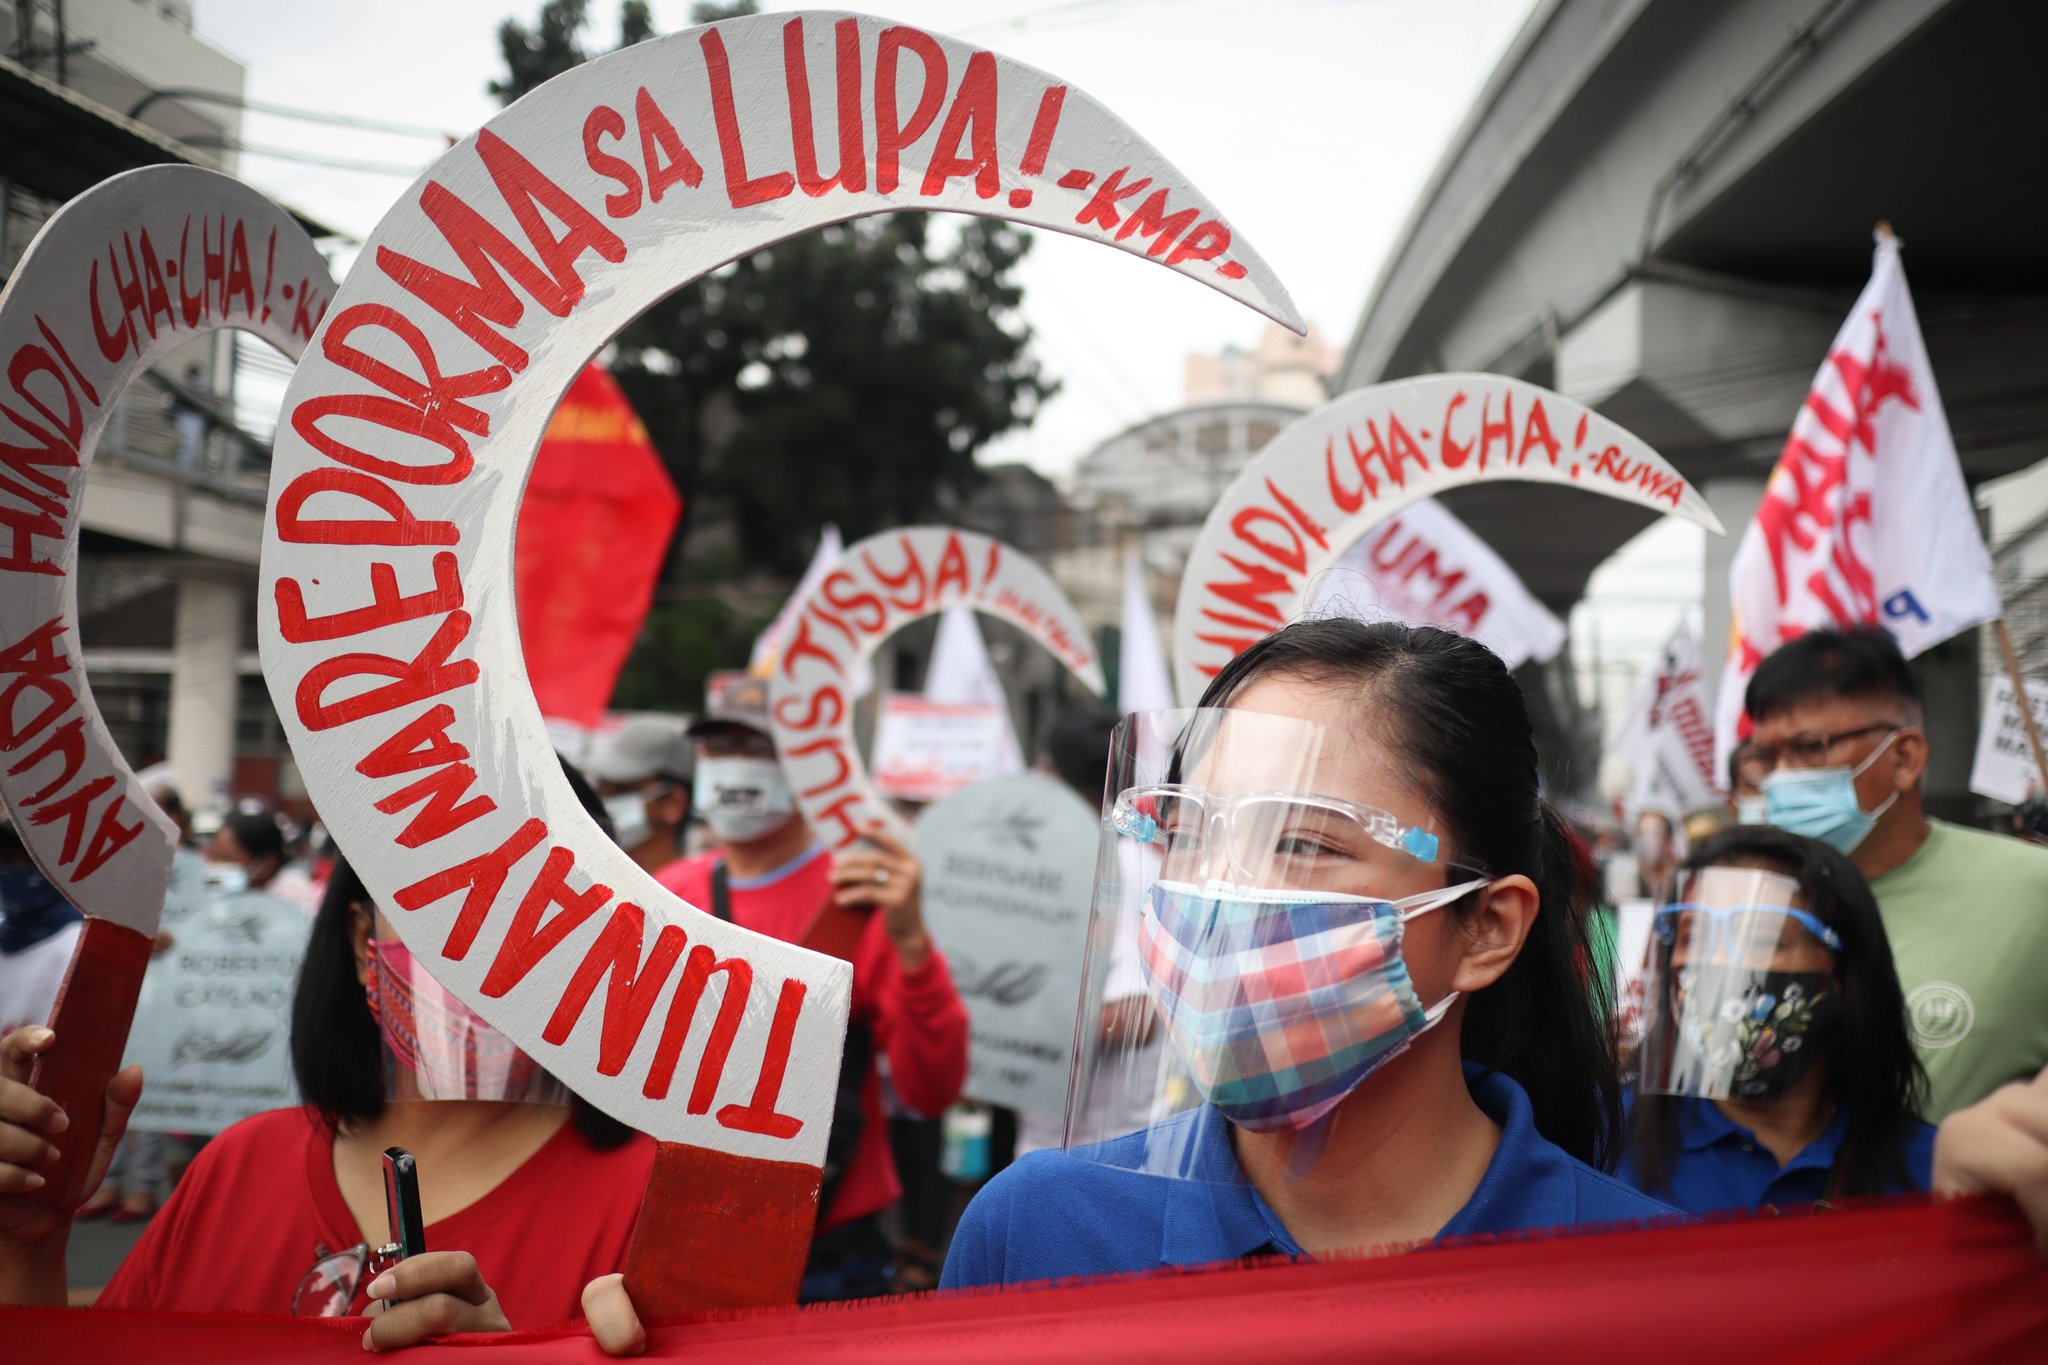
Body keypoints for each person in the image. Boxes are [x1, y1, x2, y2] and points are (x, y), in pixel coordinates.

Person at [943, 619, 1675, 1290]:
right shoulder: (1042, 1230)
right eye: (1191, 832)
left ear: (1487, 926)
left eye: (1302, 843)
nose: (1218, 892)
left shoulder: (1648, 1283)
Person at [0, 774, 656, 1345]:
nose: (487, 943)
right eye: (442, 898)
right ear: (361, 934)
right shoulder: (237, 1167)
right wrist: (26, 1248)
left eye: (546, 908)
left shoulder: (658, 1207)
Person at [654, 672, 969, 1301]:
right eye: (719, 748)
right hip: (684, 1237)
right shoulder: (667, 895)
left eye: (759, 749)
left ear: (809, 768)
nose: (733, 766)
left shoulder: (863, 897)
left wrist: (910, 943)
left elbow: (930, 1090)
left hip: (831, 1259)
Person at [1746, 626, 2048, 1120]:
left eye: (1810, 747)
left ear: (1903, 758)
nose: (1780, 779)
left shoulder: (2034, 890)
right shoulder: (1745, 903)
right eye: (1767, 758)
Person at [1621, 825, 1934, 1213]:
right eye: (1695, 936)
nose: (1718, 962)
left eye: (1762, 939)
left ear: (1841, 972)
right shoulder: (1600, 1141)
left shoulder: (1928, 1171)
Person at [587, 715, 695, 878]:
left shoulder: (694, 897)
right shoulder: (589, 882)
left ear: (671, 804)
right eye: (602, 786)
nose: (603, 800)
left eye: (622, 788)